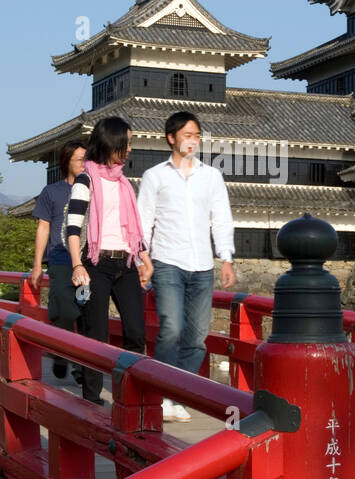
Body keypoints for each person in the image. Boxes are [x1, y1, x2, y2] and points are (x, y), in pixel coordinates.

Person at [137, 111, 235, 422]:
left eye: (196, 135)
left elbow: (221, 219)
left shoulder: (212, 176)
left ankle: (175, 395)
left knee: (197, 336)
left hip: (203, 265)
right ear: (171, 138)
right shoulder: (155, 176)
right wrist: (144, 258)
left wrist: (227, 258)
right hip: (167, 261)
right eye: (187, 135)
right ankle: (162, 391)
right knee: (171, 328)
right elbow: (144, 220)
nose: (193, 140)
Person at [65, 116, 153, 405]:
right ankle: (92, 399)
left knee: (136, 332)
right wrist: (77, 265)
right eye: (125, 143)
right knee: (96, 334)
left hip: (125, 263)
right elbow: (73, 227)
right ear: (110, 143)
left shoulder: (124, 182)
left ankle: (131, 397)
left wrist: (143, 256)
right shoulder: (85, 179)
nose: (129, 149)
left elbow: (132, 228)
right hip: (95, 264)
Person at [30, 140, 86, 380]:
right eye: (80, 159)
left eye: (87, 159)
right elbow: (43, 227)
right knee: (64, 310)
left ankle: (82, 366)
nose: (85, 164)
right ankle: (62, 354)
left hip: (87, 261)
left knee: (85, 310)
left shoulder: (94, 190)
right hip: (60, 259)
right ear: (66, 162)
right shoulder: (52, 192)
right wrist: (36, 265)